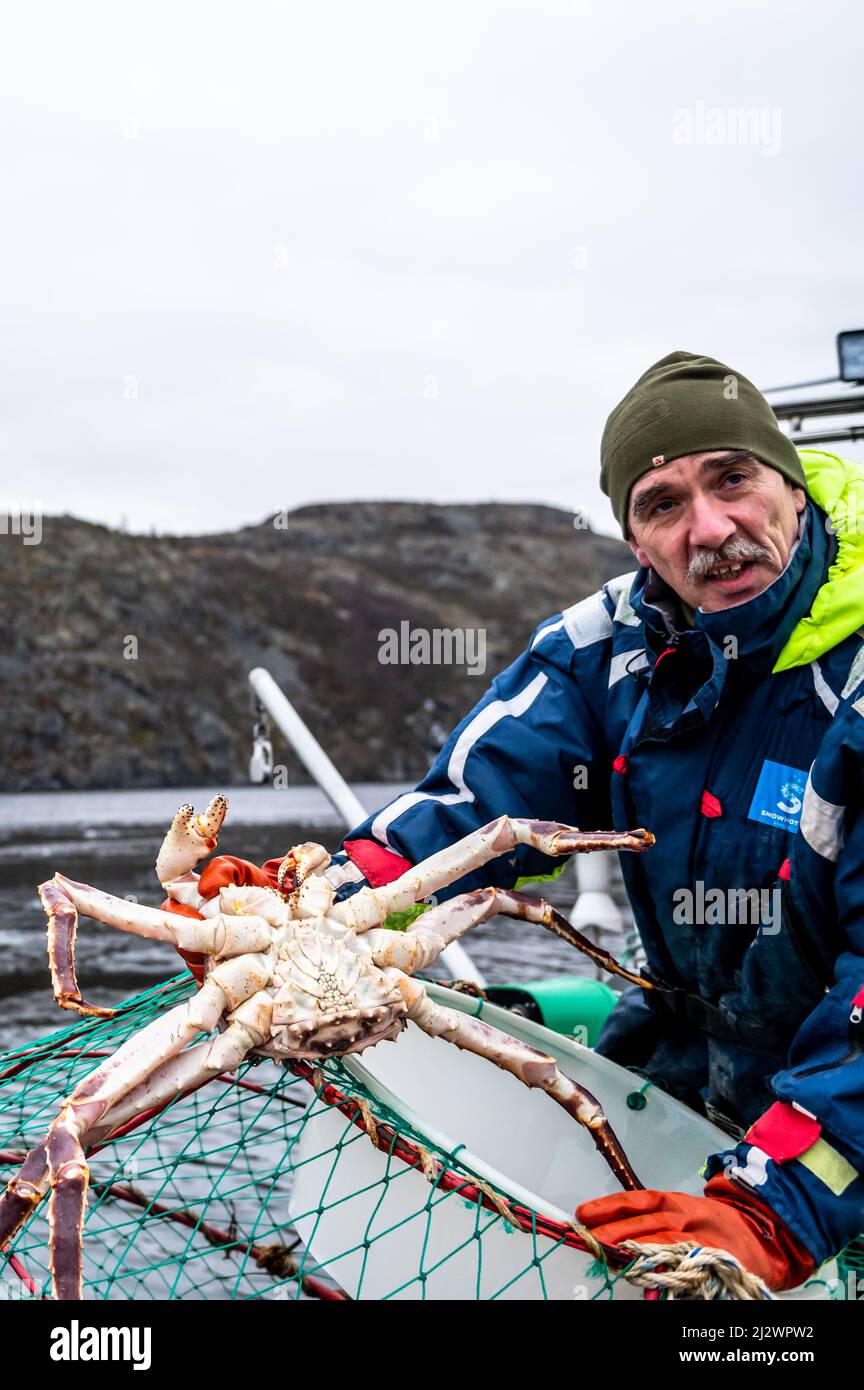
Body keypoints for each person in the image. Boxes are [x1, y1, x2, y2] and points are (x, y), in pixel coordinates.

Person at [321, 351, 864, 1291]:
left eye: (733, 479)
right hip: (687, 1052)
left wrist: (779, 1209)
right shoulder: (600, 650)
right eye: (662, 504)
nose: (712, 528)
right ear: (635, 540)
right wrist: (325, 903)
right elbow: (474, 807)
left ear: (792, 483)